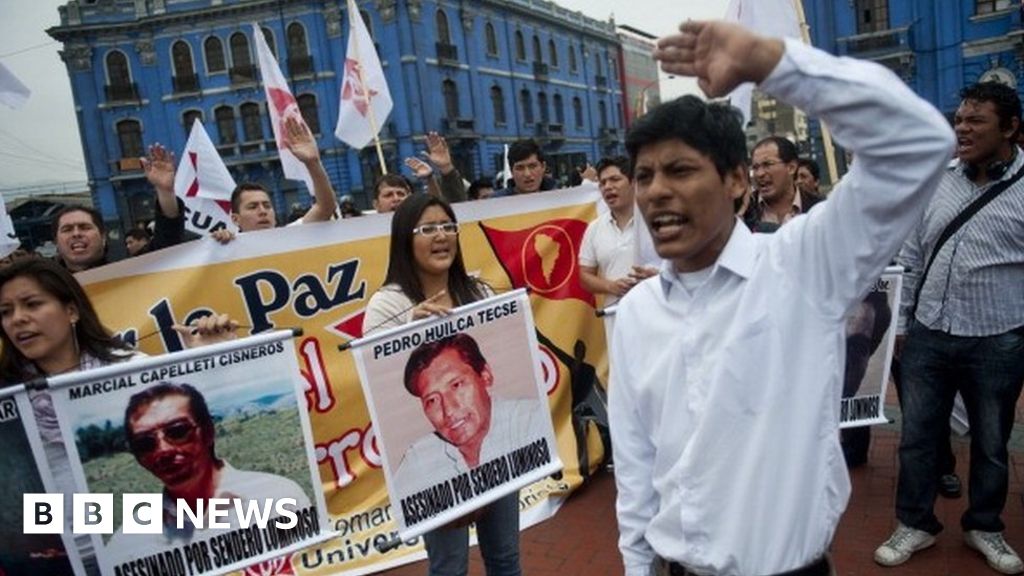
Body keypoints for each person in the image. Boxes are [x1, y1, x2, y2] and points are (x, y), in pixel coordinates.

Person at [609, 20, 952, 576]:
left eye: (679, 170)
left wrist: (770, 61)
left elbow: (918, 144)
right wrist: (637, 566)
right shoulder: (636, 312)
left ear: (736, 182)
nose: (656, 191)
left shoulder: (802, 268)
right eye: (643, 175)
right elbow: (636, 460)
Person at [0, 257, 236, 575]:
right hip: (48, 565)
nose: (18, 319)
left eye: (32, 304)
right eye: (5, 312)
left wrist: (214, 360)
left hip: (143, 552)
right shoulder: (8, 398)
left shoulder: (130, 370)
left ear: (71, 311)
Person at [875, 81, 1024, 574]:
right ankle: (914, 522)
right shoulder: (937, 180)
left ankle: (985, 526)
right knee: (918, 438)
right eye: (959, 119)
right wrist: (901, 325)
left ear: (1010, 128)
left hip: (998, 338)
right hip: (929, 335)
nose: (962, 128)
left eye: (976, 120)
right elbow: (912, 255)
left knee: (992, 443)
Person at [363, 194, 522, 576]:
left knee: (505, 560)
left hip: (496, 448)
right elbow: (379, 384)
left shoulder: (478, 291)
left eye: (448, 226)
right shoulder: (387, 305)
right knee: (449, 566)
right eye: (428, 228)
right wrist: (408, 331)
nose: (441, 236)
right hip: (436, 467)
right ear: (404, 239)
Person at [106, 382, 311, 556]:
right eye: (145, 443)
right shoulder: (127, 544)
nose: (163, 450)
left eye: (177, 431)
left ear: (208, 432)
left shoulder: (279, 497)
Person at [394, 333, 548, 493]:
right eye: (432, 400)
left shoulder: (533, 420)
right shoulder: (419, 460)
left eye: (456, 385)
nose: (449, 410)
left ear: (485, 376)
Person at [209, 116, 338, 242]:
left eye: (267, 206)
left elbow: (325, 208)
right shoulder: (228, 245)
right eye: (253, 207)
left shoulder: (290, 237)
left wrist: (312, 163)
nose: (263, 211)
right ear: (235, 219)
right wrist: (218, 244)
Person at [578, 156, 657, 311]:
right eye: (603, 183)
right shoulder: (594, 228)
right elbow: (584, 276)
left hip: (657, 311)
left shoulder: (655, 220)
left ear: (633, 182)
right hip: (616, 315)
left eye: (615, 179)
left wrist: (657, 277)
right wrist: (611, 286)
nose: (608, 187)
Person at [750, 135, 822, 227]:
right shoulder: (745, 212)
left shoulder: (819, 209)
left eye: (767, 164)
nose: (760, 174)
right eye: (755, 167)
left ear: (791, 168)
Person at [492, 140, 558, 197]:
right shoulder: (496, 201)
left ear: (543, 166)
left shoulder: (558, 196)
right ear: (511, 171)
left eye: (532, 166)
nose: (527, 174)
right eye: (520, 168)